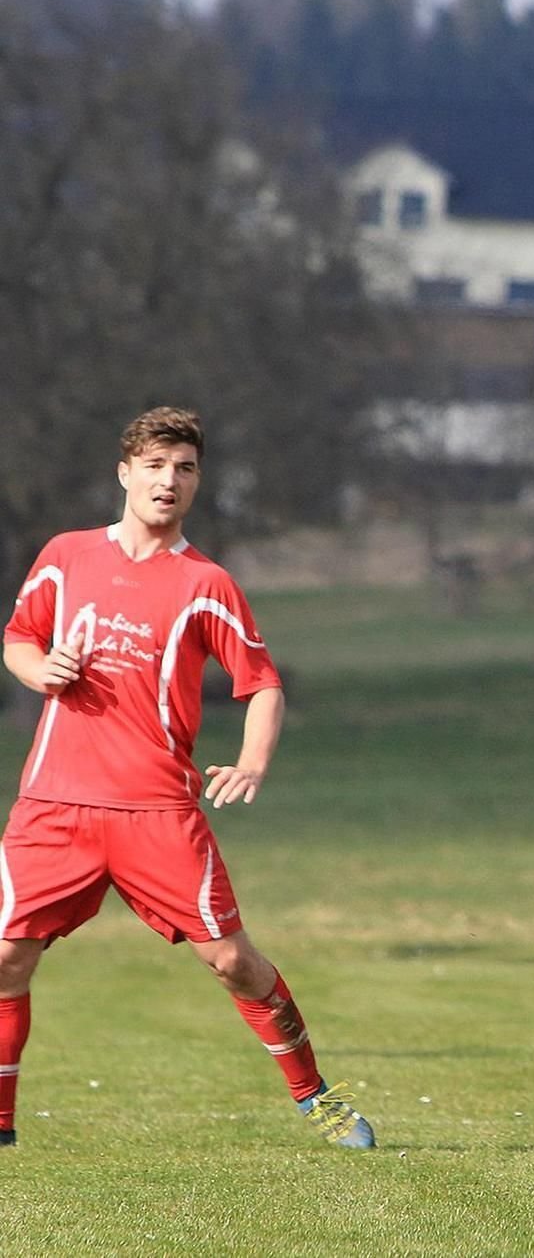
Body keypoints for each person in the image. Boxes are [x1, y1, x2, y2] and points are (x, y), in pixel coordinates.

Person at [0, 408, 374, 1150]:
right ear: (125, 472)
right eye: (157, 464)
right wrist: (39, 668)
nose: (170, 480)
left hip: (157, 811)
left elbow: (261, 684)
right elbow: (18, 637)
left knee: (233, 960)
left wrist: (253, 760)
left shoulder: (206, 583)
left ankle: (317, 1098)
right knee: (6, 955)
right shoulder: (67, 555)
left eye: (186, 468)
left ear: (197, 482)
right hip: (55, 803)